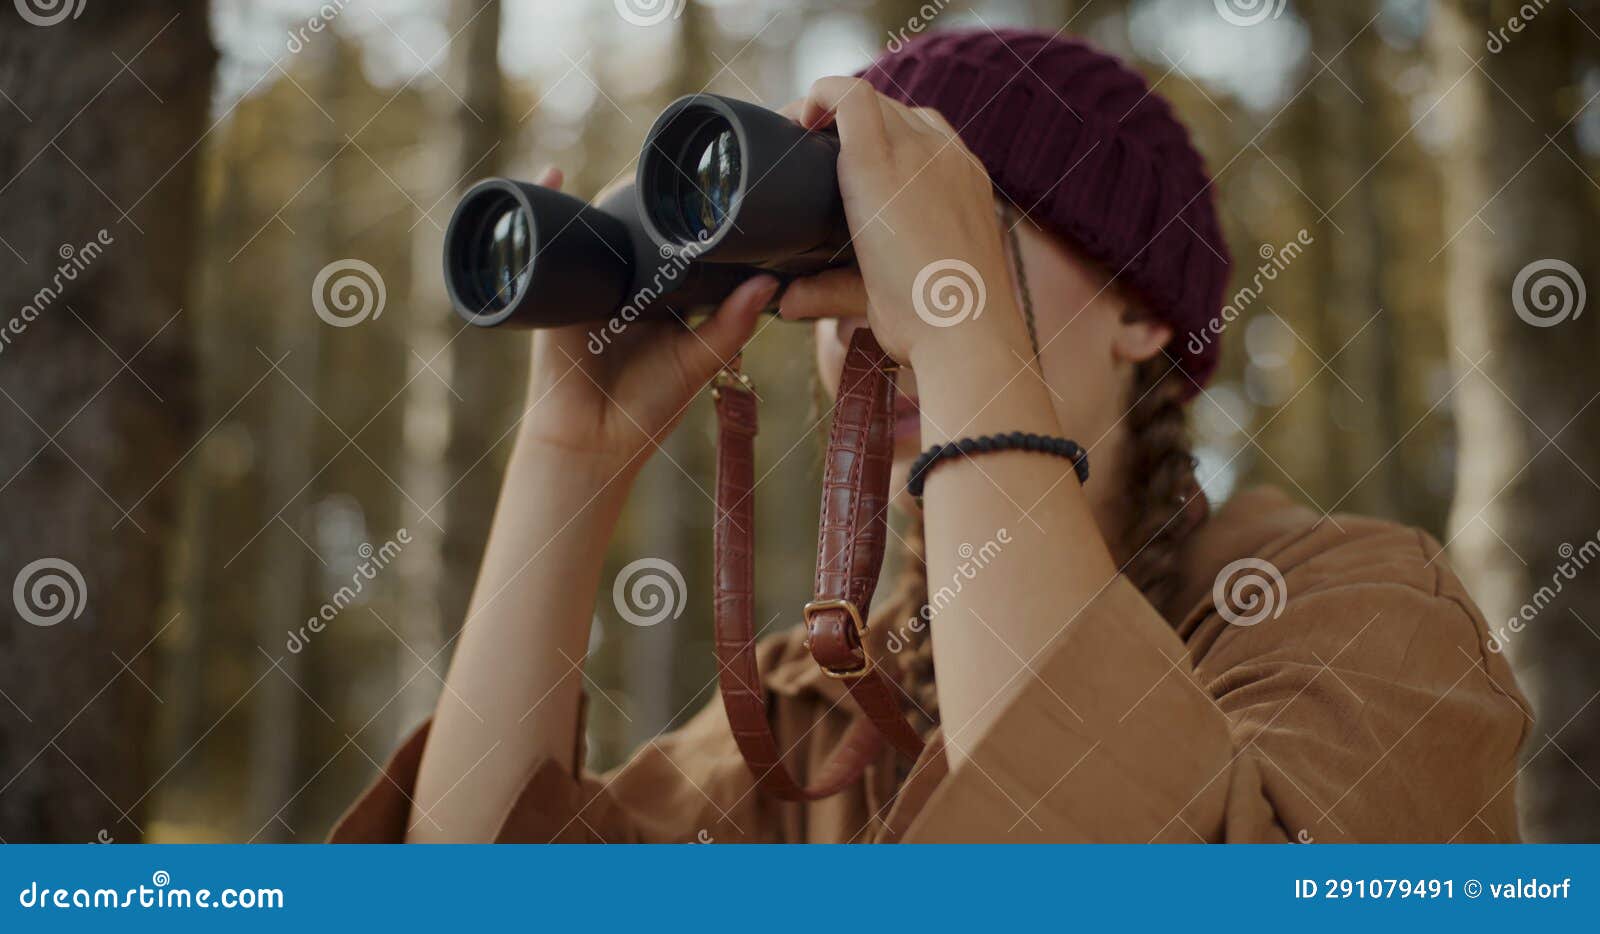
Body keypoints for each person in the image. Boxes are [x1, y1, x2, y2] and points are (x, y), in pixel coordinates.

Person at [332, 28, 1528, 843]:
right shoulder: (817, 702)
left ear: (1142, 308)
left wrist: (962, 334)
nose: (881, 303)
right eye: (843, 249)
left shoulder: (1352, 608)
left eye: (946, 230)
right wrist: (567, 463)